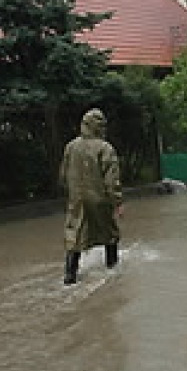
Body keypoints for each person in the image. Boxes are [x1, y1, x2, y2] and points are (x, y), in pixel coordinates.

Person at [59, 109, 123, 285]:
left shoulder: (71, 147)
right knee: (110, 234)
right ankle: (113, 269)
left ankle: (69, 276)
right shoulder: (105, 148)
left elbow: (63, 175)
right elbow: (112, 179)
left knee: (74, 235)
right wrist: (117, 202)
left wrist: (72, 193)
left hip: (76, 199)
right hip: (99, 200)